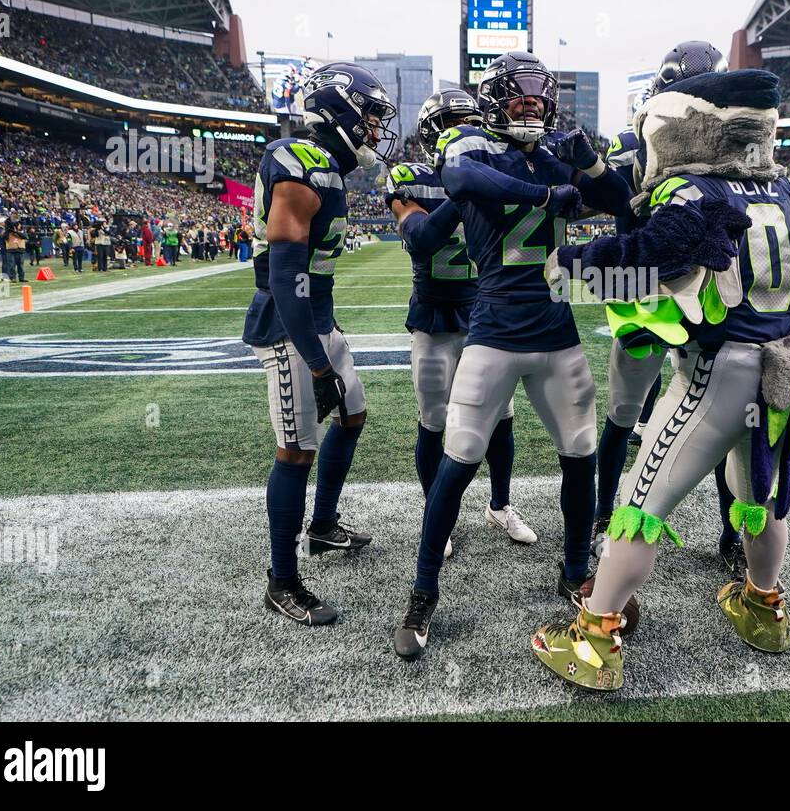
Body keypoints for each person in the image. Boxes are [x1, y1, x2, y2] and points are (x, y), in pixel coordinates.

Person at [530, 69, 790, 690]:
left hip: (717, 371)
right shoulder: (781, 191)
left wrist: (576, 263)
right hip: (782, 366)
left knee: (640, 506)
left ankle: (594, 638)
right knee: (758, 498)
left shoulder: (697, 192)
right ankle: (763, 607)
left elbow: (654, 256)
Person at [392, 51, 631, 660]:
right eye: (520, 97)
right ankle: (423, 590)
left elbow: (620, 200)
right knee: (459, 457)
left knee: (580, 457)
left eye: (539, 98)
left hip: (556, 331)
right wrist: (551, 193)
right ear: (496, 100)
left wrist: (592, 162)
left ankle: (576, 568)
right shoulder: (470, 145)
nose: (532, 106)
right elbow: (470, 183)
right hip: (493, 330)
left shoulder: (549, 154)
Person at [242, 62, 396, 626]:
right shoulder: (298, 161)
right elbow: (285, 278)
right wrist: (314, 361)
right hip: (288, 326)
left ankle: (323, 526)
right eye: (372, 117)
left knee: (352, 414)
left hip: (318, 319)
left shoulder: (327, 167)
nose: (378, 130)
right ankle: (282, 579)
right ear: (341, 112)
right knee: (296, 449)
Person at [591, 40, 745, 577]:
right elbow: (607, 196)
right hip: (649, 293)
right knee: (624, 416)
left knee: (726, 422)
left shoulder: (733, 152)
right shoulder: (637, 148)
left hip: (705, 297)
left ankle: (732, 532)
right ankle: (601, 514)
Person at [384, 88, 531, 552]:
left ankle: (500, 505)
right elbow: (420, 239)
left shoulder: (496, 167)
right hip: (434, 316)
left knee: (502, 416)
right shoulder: (409, 176)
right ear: (431, 134)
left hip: (485, 312)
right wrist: (464, 187)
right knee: (434, 419)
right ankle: (437, 512)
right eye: (450, 124)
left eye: (468, 122)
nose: (461, 133)